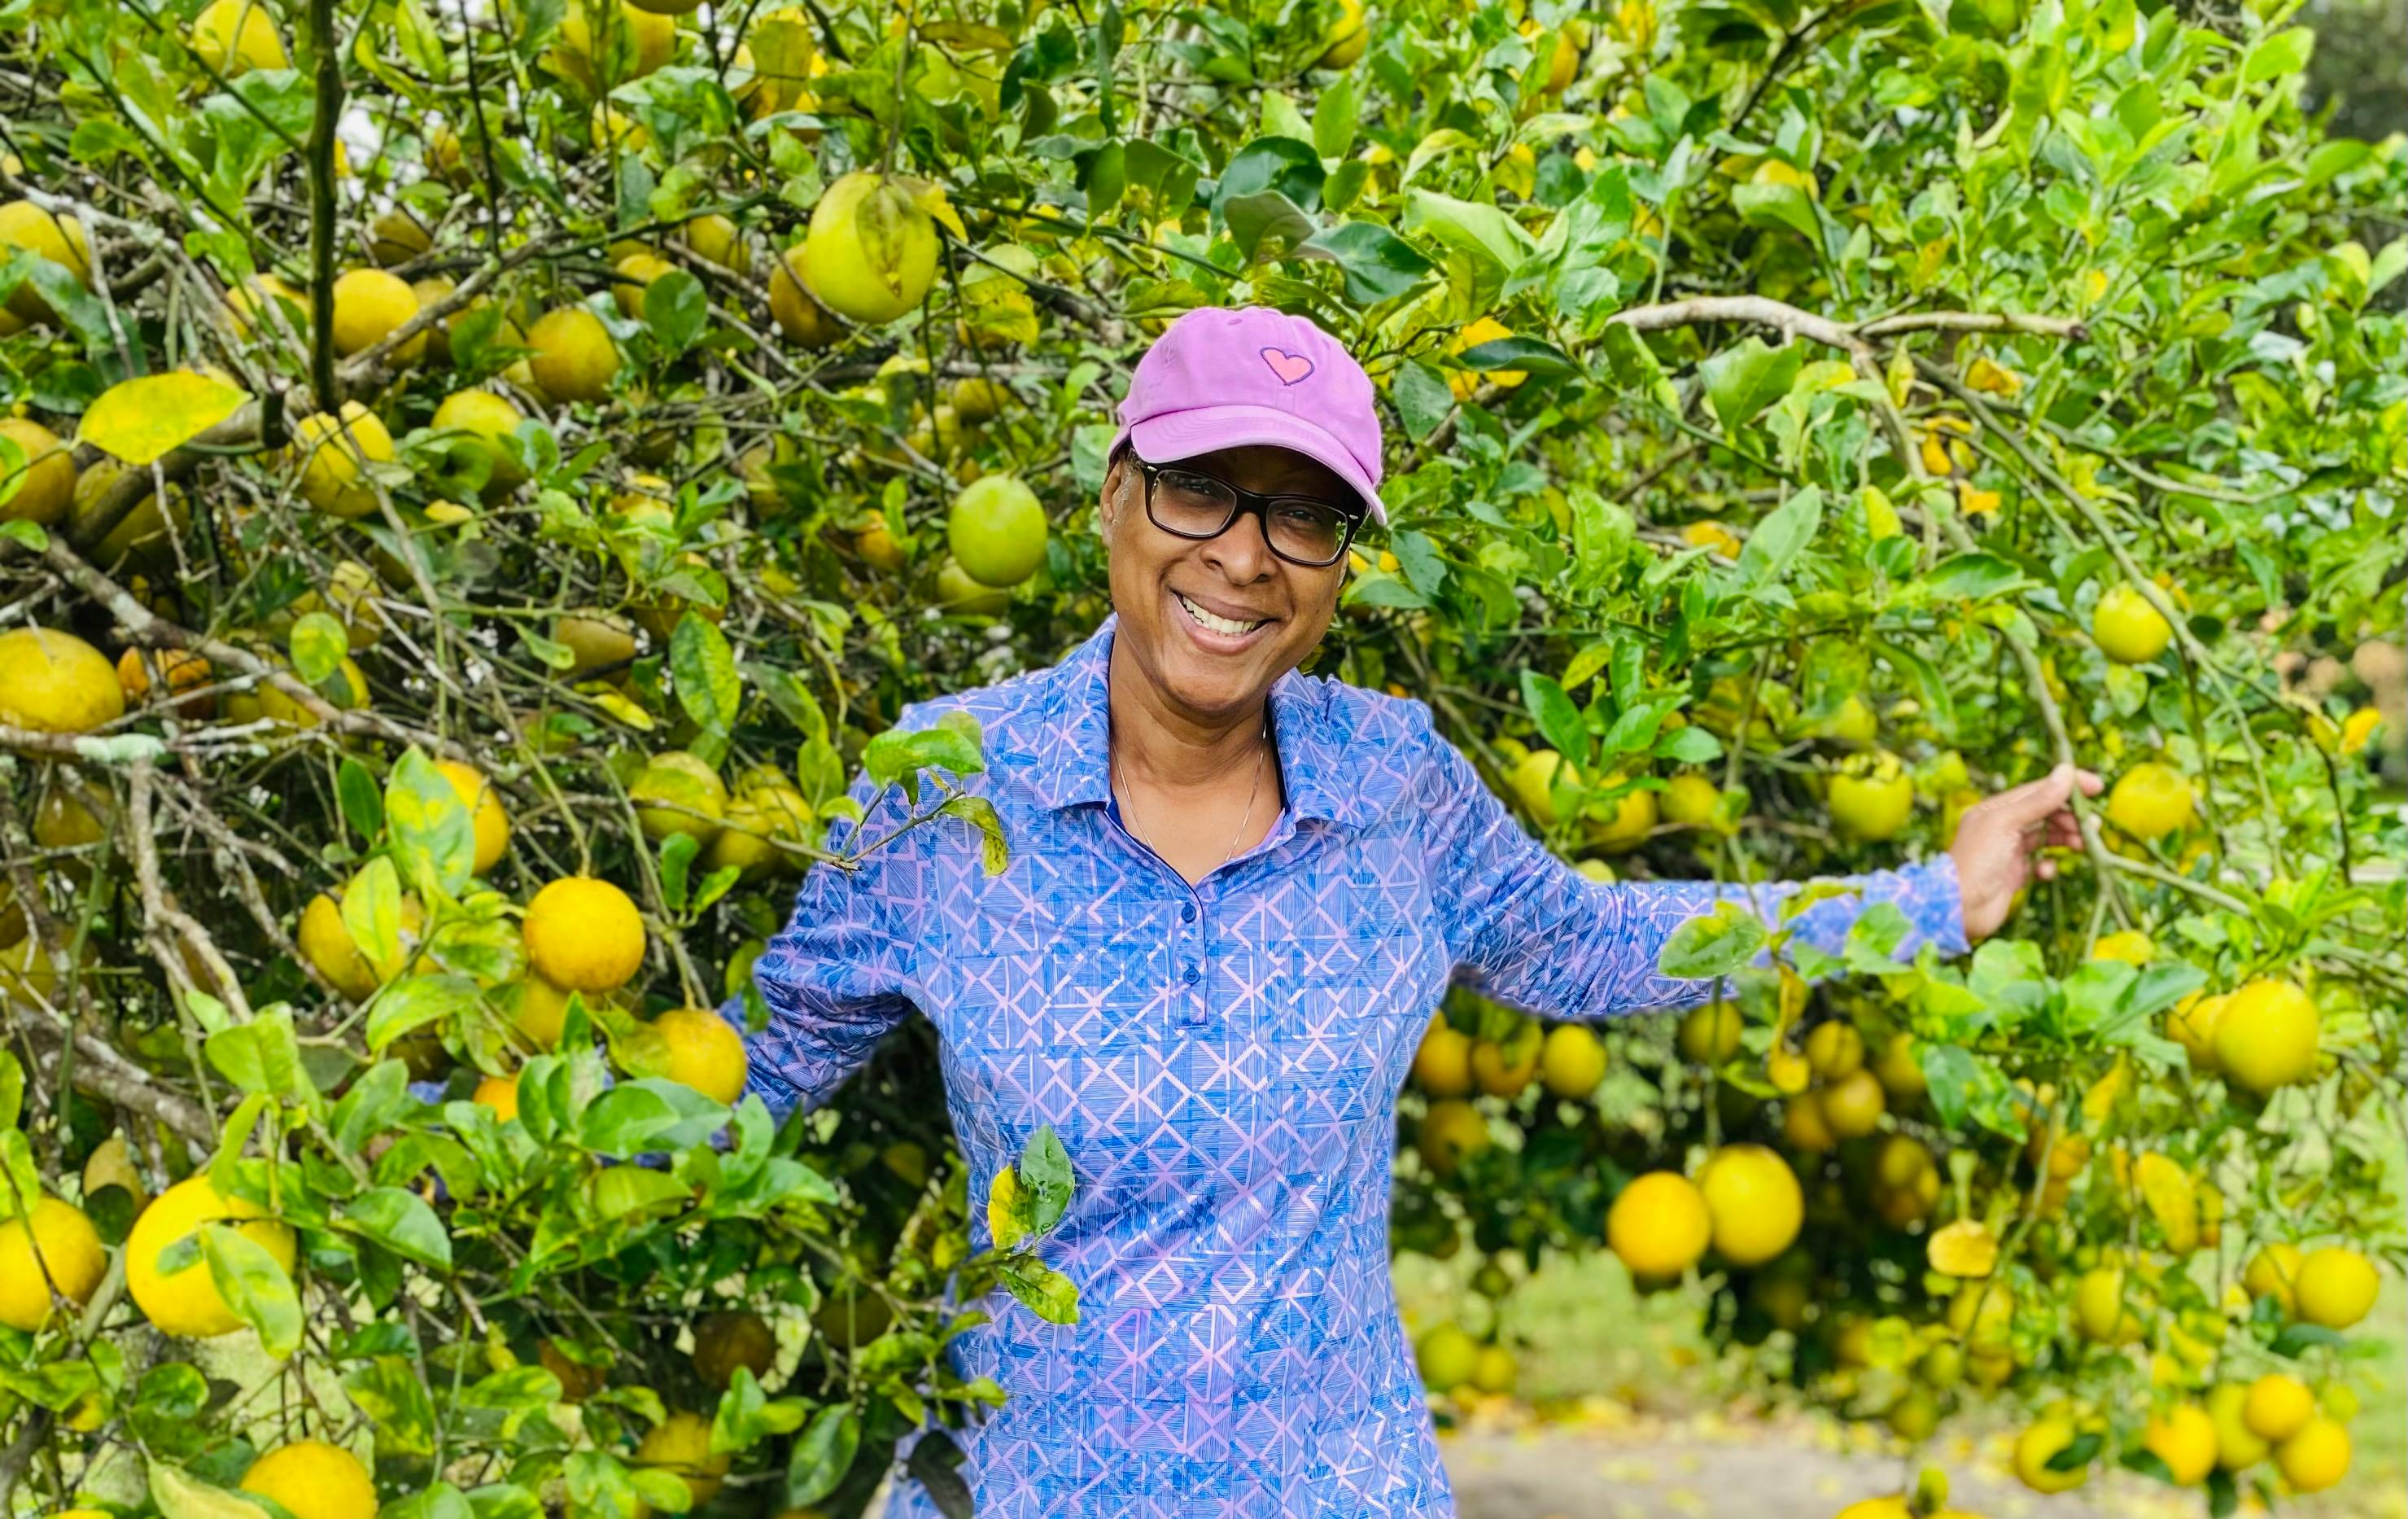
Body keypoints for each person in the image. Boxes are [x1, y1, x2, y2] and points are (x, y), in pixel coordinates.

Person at [721, 305, 2097, 1516]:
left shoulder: (1391, 783)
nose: (1247, 556)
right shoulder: (946, 788)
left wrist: (1930, 900)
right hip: (1018, 1490)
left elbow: (1602, 942)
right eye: (1202, 488)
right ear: (1113, 497)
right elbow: (753, 1082)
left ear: (1337, 564)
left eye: (1304, 514)